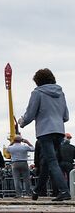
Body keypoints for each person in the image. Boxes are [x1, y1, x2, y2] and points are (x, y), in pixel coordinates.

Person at [17, 67, 71, 201]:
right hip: (59, 130)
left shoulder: (37, 93)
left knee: (52, 162)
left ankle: (64, 191)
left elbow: (30, 114)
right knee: (47, 162)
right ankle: (37, 190)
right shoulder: (61, 93)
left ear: (38, 81)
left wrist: (21, 122)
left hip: (45, 131)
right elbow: (66, 116)